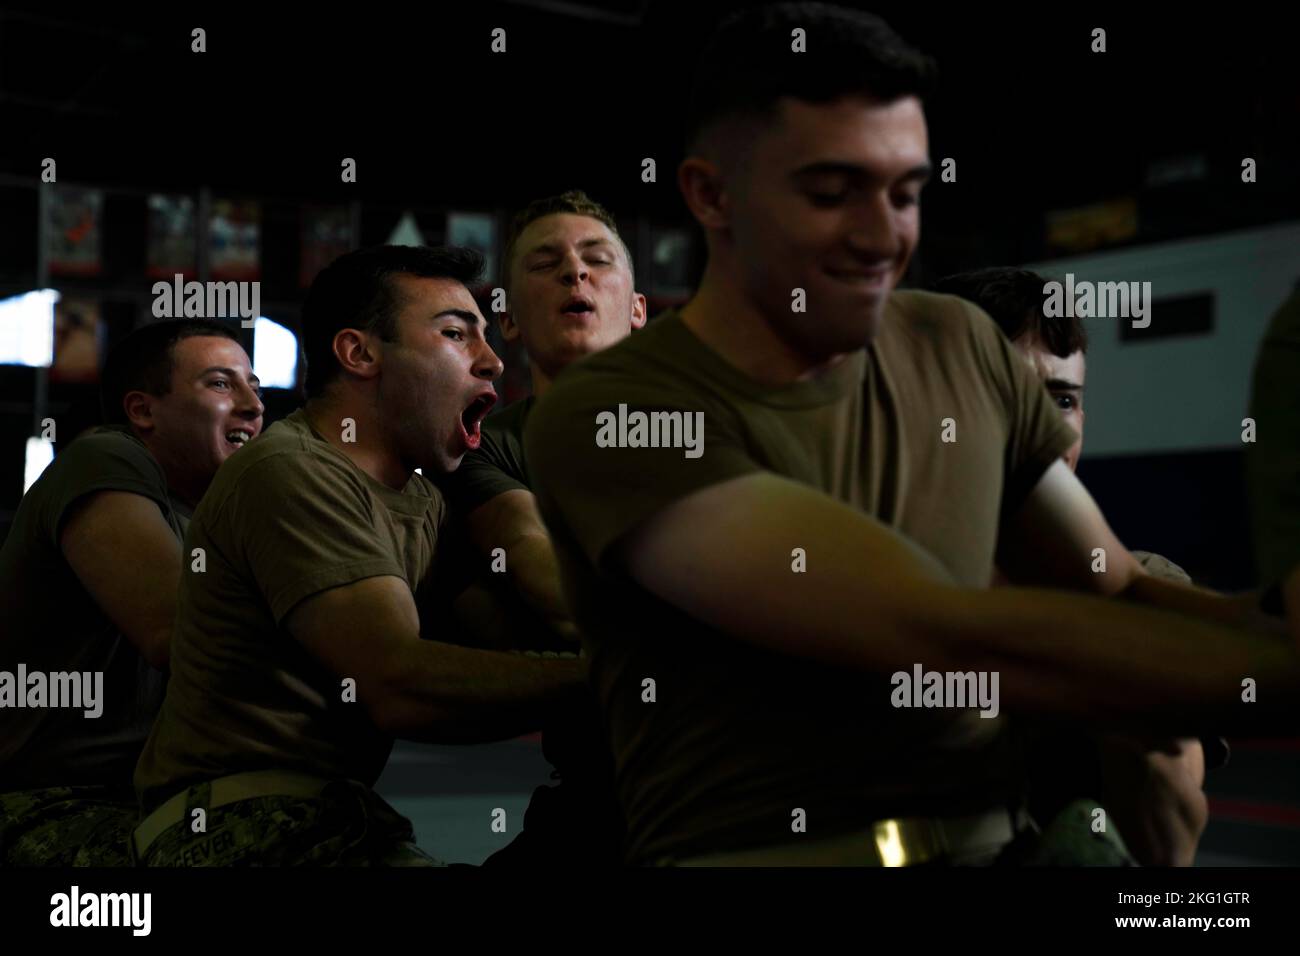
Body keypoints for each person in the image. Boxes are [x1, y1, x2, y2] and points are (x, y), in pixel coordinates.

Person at [523, 2, 1300, 866]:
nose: (881, 235)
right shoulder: (611, 414)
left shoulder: (958, 340)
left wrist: (1268, 621)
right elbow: (935, 641)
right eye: (830, 192)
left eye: (905, 193)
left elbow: (1108, 585)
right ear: (711, 195)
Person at [132, 245, 586, 866]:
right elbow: (398, 683)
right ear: (360, 353)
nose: (492, 362)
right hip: (235, 826)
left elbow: (493, 641)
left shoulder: (421, 498)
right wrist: (622, 676)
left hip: (327, 817)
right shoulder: (293, 471)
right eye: (456, 333)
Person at [936, 267, 1218, 866]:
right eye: (1004, 396)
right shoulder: (869, 585)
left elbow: (1166, 851)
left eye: (1062, 400)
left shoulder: (1147, 588)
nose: (1042, 432)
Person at [0, 319, 263, 865]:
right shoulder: (106, 455)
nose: (252, 404)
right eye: (220, 384)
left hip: (152, 801)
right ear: (143, 411)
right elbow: (176, 632)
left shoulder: (221, 511)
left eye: (254, 385)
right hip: (45, 803)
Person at [438, 191, 647, 867]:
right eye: (547, 264)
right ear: (509, 321)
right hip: (603, 793)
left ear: (639, 310)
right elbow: (554, 594)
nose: (575, 275)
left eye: (596, 260)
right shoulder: (482, 449)